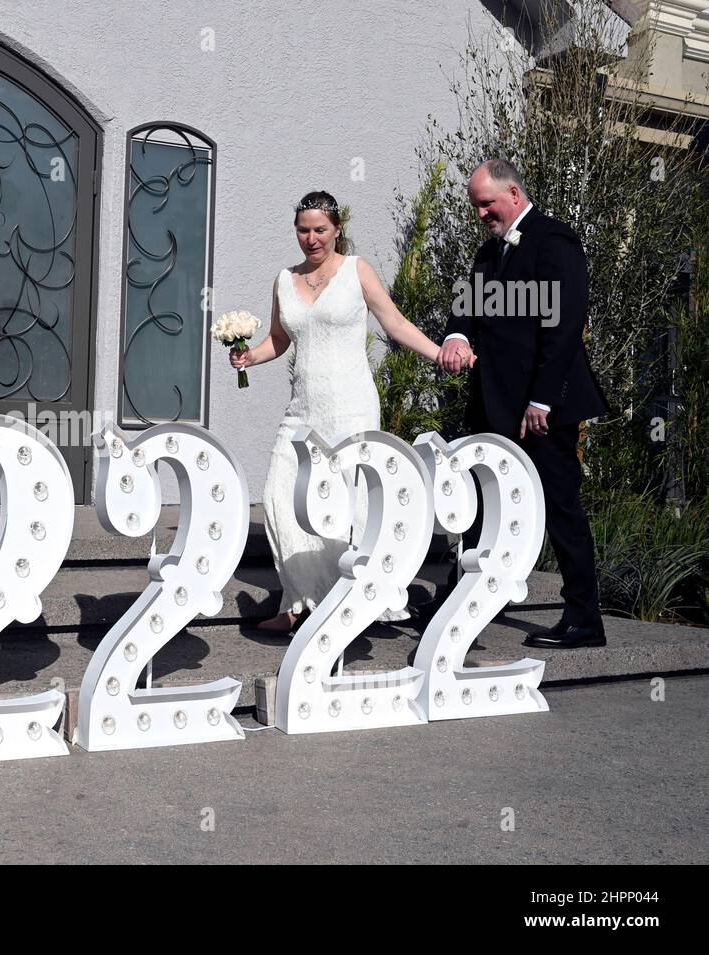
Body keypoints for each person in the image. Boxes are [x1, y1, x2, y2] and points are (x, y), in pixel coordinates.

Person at [231, 191, 465, 632]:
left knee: (347, 506)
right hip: (302, 411)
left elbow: (395, 322)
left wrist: (440, 354)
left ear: (337, 229)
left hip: (351, 409)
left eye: (320, 229)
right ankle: (300, 599)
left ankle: (346, 599)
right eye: (303, 230)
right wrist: (248, 357)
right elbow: (279, 340)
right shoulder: (284, 279)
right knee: (281, 496)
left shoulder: (357, 271)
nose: (312, 238)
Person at [431, 159, 610, 649]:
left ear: (513, 193)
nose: (481, 213)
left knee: (560, 506)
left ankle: (584, 619)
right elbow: (467, 307)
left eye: (487, 203)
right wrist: (456, 336)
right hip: (492, 403)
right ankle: (464, 597)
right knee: (479, 501)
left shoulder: (555, 240)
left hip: (541, 409)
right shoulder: (489, 251)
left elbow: (565, 326)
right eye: (476, 205)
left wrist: (542, 400)